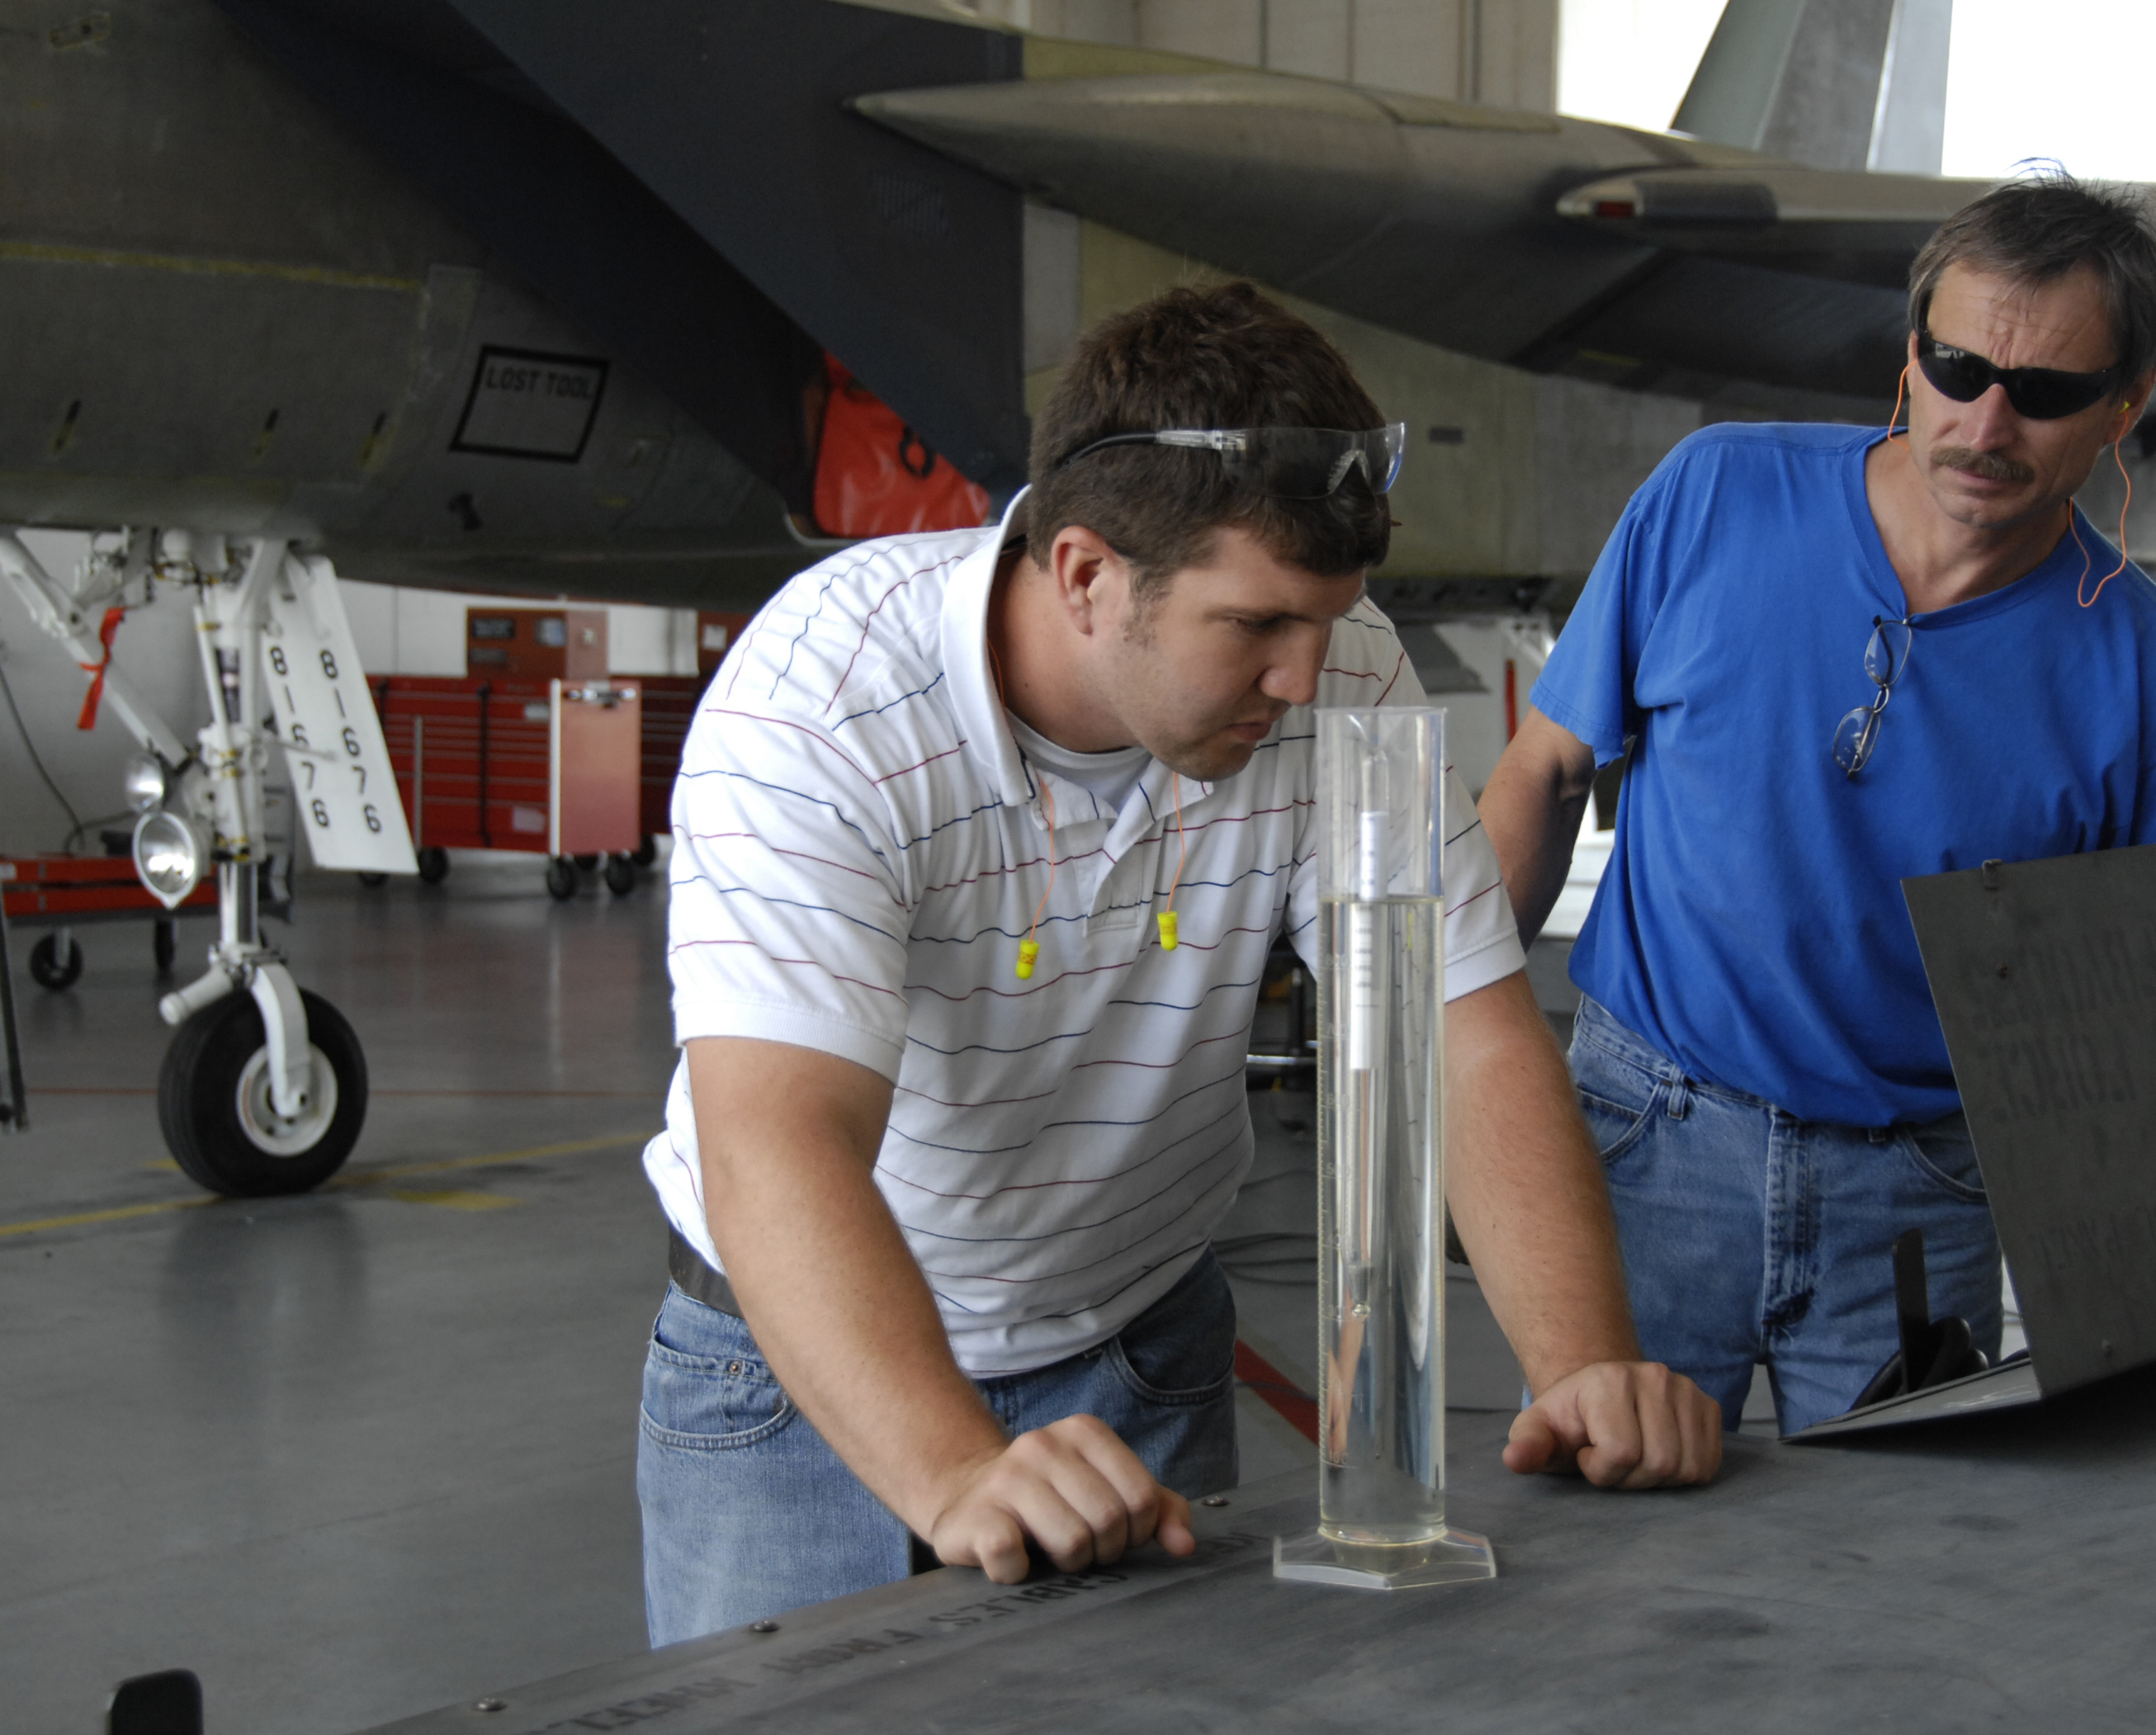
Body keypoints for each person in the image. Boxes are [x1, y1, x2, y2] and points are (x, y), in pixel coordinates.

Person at [636, 281, 1722, 1643]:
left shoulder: (1338, 671)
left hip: (1136, 1349)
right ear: (1088, 574)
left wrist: (1584, 1372)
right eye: (1257, 627)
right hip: (805, 1375)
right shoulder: (824, 697)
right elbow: (775, 1144)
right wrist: (958, 1470)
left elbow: (1471, 1034)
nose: (1305, 678)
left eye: (1329, 622)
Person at [1479, 173, 2156, 1435]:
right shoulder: (1712, 495)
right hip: (1647, 1140)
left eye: (2045, 393)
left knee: (1906, 1585)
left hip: (1923, 1193)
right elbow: (1543, 773)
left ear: (2128, 405)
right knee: (1602, 1555)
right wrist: (1454, 1071)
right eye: (1956, 367)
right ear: (1910, 351)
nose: (1986, 425)